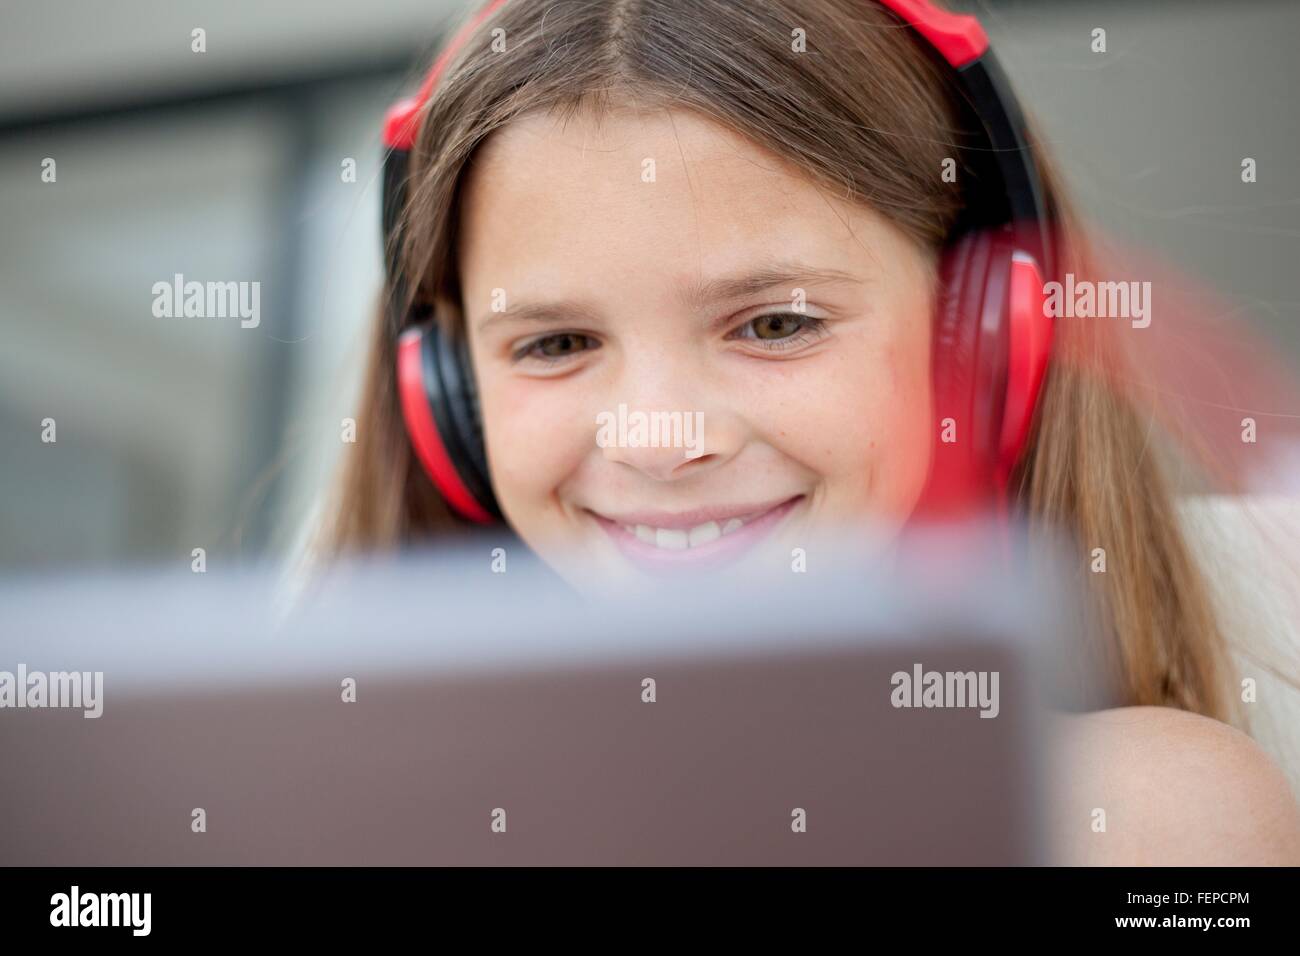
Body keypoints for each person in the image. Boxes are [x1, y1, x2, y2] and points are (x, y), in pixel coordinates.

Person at [308, 0, 1300, 863]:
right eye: (557, 341)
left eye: (776, 323)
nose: (660, 439)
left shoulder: (1137, 817)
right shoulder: (357, 822)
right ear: (448, 398)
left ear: (985, 334)